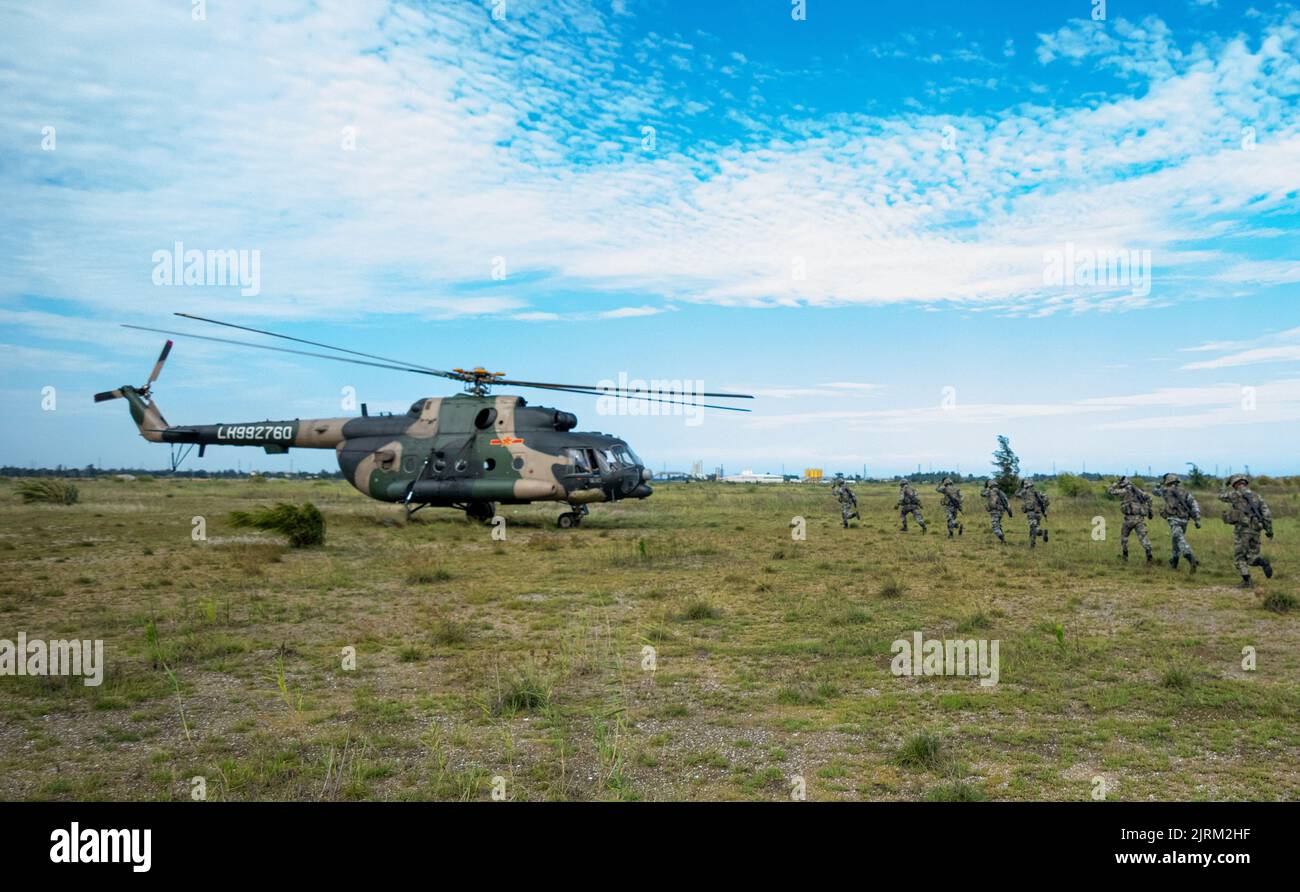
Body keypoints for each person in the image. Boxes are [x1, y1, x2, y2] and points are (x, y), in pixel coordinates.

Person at [1218, 474, 1274, 587]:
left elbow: (1220, 496)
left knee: (1239, 558)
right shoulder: (1257, 496)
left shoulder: (1234, 495)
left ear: (1234, 484)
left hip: (1242, 530)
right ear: (1245, 483)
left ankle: (1247, 582)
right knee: (1252, 556)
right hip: (1256, 530)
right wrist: (1269, 530)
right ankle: (1262, 562)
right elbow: (1267, 515)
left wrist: (1224, 483)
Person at [1152, 472, 1201, 573]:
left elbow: (1154, 491)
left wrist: (1158, 485)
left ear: (1168, 482)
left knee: (1180, 539)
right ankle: (1174, 562)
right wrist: (1197, 518)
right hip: (1184, 520)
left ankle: (1191, 558)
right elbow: (1194, 505)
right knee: (1176, 541)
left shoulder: (1165, 490)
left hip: (1174, 520)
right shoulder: (1185, 492)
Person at [1106, 475, 1154, 563]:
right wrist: (1150, 510)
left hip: (1129, 520)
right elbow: (1150, 498)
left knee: (1124, 538)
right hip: (1140, 519)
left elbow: (1110, 491)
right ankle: (1149, 555)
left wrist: (1115, 483)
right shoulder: (1139, 491)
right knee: (1143, 538)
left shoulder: (1125, 490)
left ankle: (1125, 556)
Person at [1018, 479, 1049, 548]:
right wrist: (1044, 508)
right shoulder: (1038, 492)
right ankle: (1032, 542)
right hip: (1039, 513)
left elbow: (1016, 494)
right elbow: (1046, 499)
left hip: (1031, 513)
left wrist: (1019, 486)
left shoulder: (1024, 492)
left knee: (1034, 528)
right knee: (1035, 527)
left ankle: (1040, 535)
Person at [980, 478, 1012, 544]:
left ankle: (1002, 538)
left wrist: (986, 488)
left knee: (995, 527)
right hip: (1001, 511)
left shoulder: (989, 491)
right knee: (998, 524)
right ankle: (1002, 540)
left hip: (994, 511)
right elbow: (1006, 501)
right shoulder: (1000, 492)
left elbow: (982, 494)